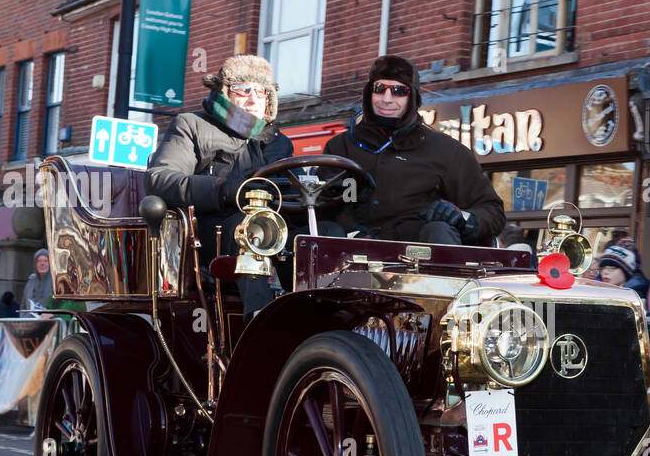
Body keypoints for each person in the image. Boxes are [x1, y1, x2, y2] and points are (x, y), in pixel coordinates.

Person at [146, 54, 296, 319]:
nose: (253, 99)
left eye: (262, 92)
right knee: (251, 230)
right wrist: (224, 189)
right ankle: (259, 324)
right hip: (207, 236)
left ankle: (323, 324)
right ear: (225, 93)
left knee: (324, 235)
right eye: (244, 90)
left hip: (273, 230)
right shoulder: (191, 125)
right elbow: (160, 179)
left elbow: (293, 189)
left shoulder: (279, 142)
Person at [325, 55, 504, 246]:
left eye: (399, 91)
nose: (387, 99)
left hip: (418, 257)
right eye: (379, 89)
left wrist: (462, 217)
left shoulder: (447, 151)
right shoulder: (340, 148)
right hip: (350, 252)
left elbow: (492, 211)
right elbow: (323, 204)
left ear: (412, 97)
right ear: (369, 93)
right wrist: (352, 231)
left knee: (438, 230)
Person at [596, 237, 650, 303]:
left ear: (626, 271)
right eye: (603, 268)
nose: (605, 272)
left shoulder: (636, 299)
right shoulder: (597, 292)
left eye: (612, 268)